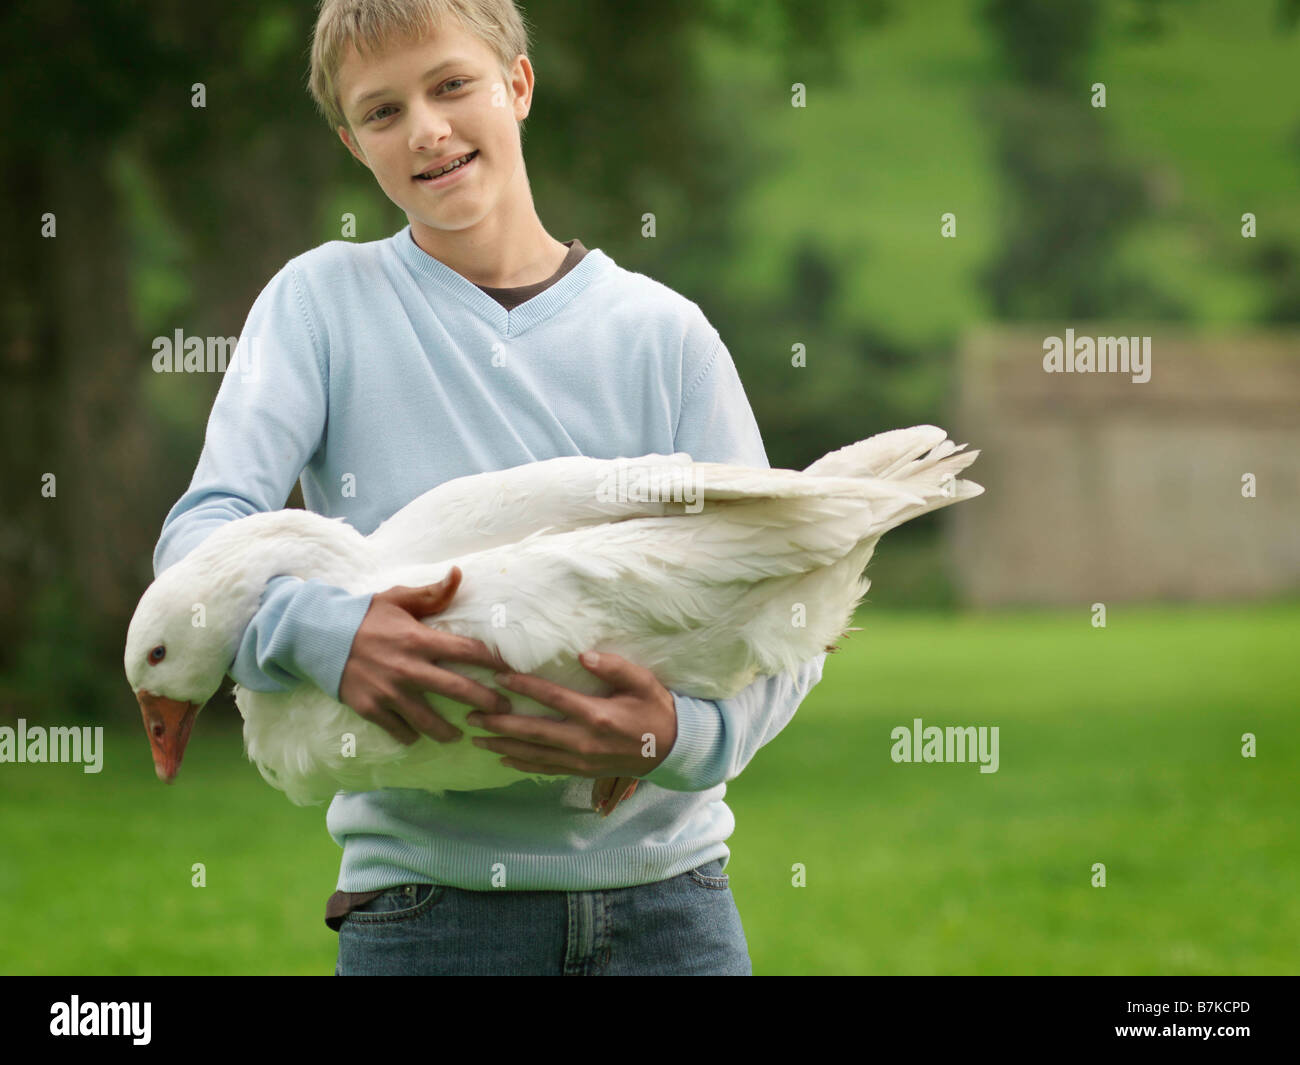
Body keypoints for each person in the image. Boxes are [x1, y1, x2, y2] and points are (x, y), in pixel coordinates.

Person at [153, 0, 824, 975]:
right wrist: (313, 632)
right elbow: (199, 547)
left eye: (450, 85)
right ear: (353, 144)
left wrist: (679, 734)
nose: (424, 127)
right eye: (382, 113)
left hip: (669, 908)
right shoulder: (318, 306)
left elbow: (787, 596)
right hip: (426, 911)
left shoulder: (665, 336)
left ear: (516, 84)